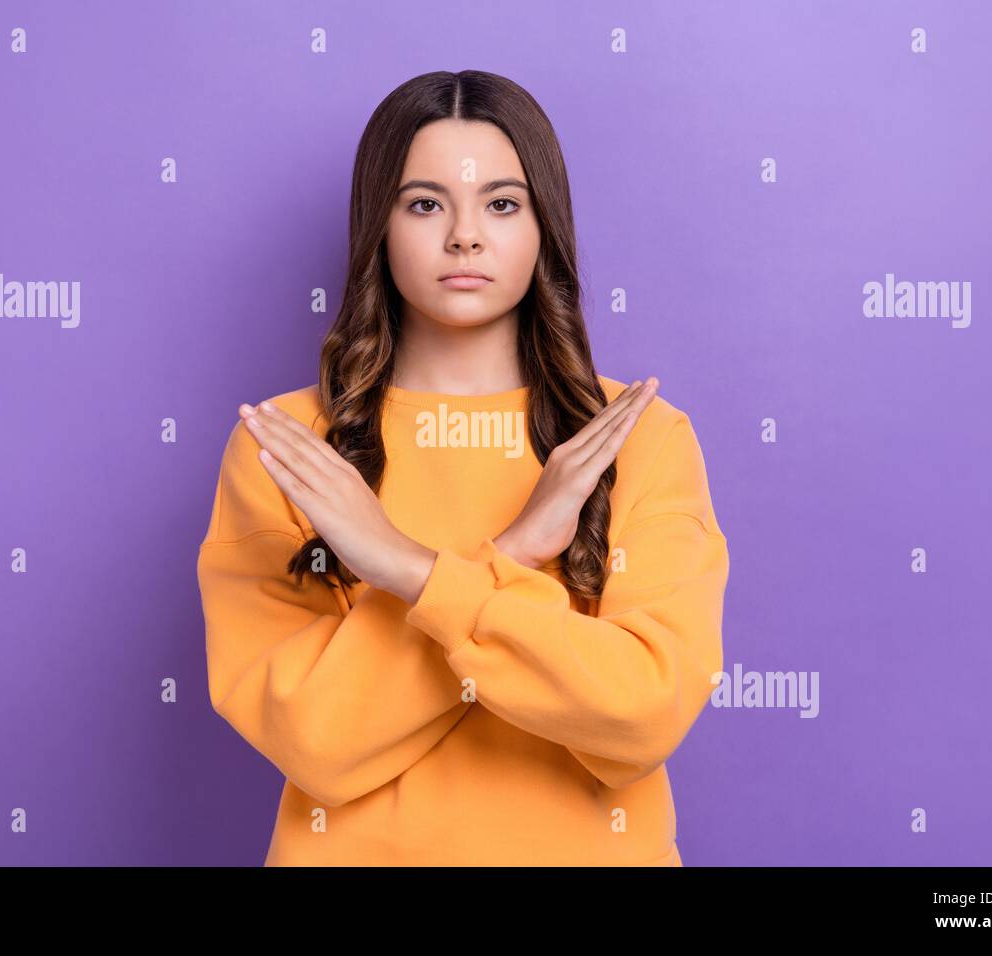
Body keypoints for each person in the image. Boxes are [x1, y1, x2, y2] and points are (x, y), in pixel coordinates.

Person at [196, 69, 729, 866]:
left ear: (544, 224)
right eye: (424, 203)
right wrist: (513, 551)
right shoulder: (290, 448)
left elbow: (644, 716)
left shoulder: (635, 437)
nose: (465, 236)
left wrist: (407, 570)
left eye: (502, 203)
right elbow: (312, 740)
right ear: (378, 224)